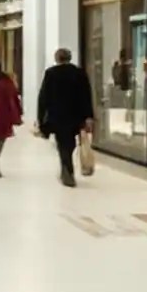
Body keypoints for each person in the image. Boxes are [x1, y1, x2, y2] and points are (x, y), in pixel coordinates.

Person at [37, 48, 95, 188]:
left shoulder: (51, 73)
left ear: (57, 58)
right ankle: (67, 169)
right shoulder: (79, 73)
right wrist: (88, 116)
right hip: (76, 115)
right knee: (69, 142)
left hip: (57, 116)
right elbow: (86, 95)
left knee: (63, 143)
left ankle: (67, 170)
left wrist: (41, 118)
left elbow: (43, 98)